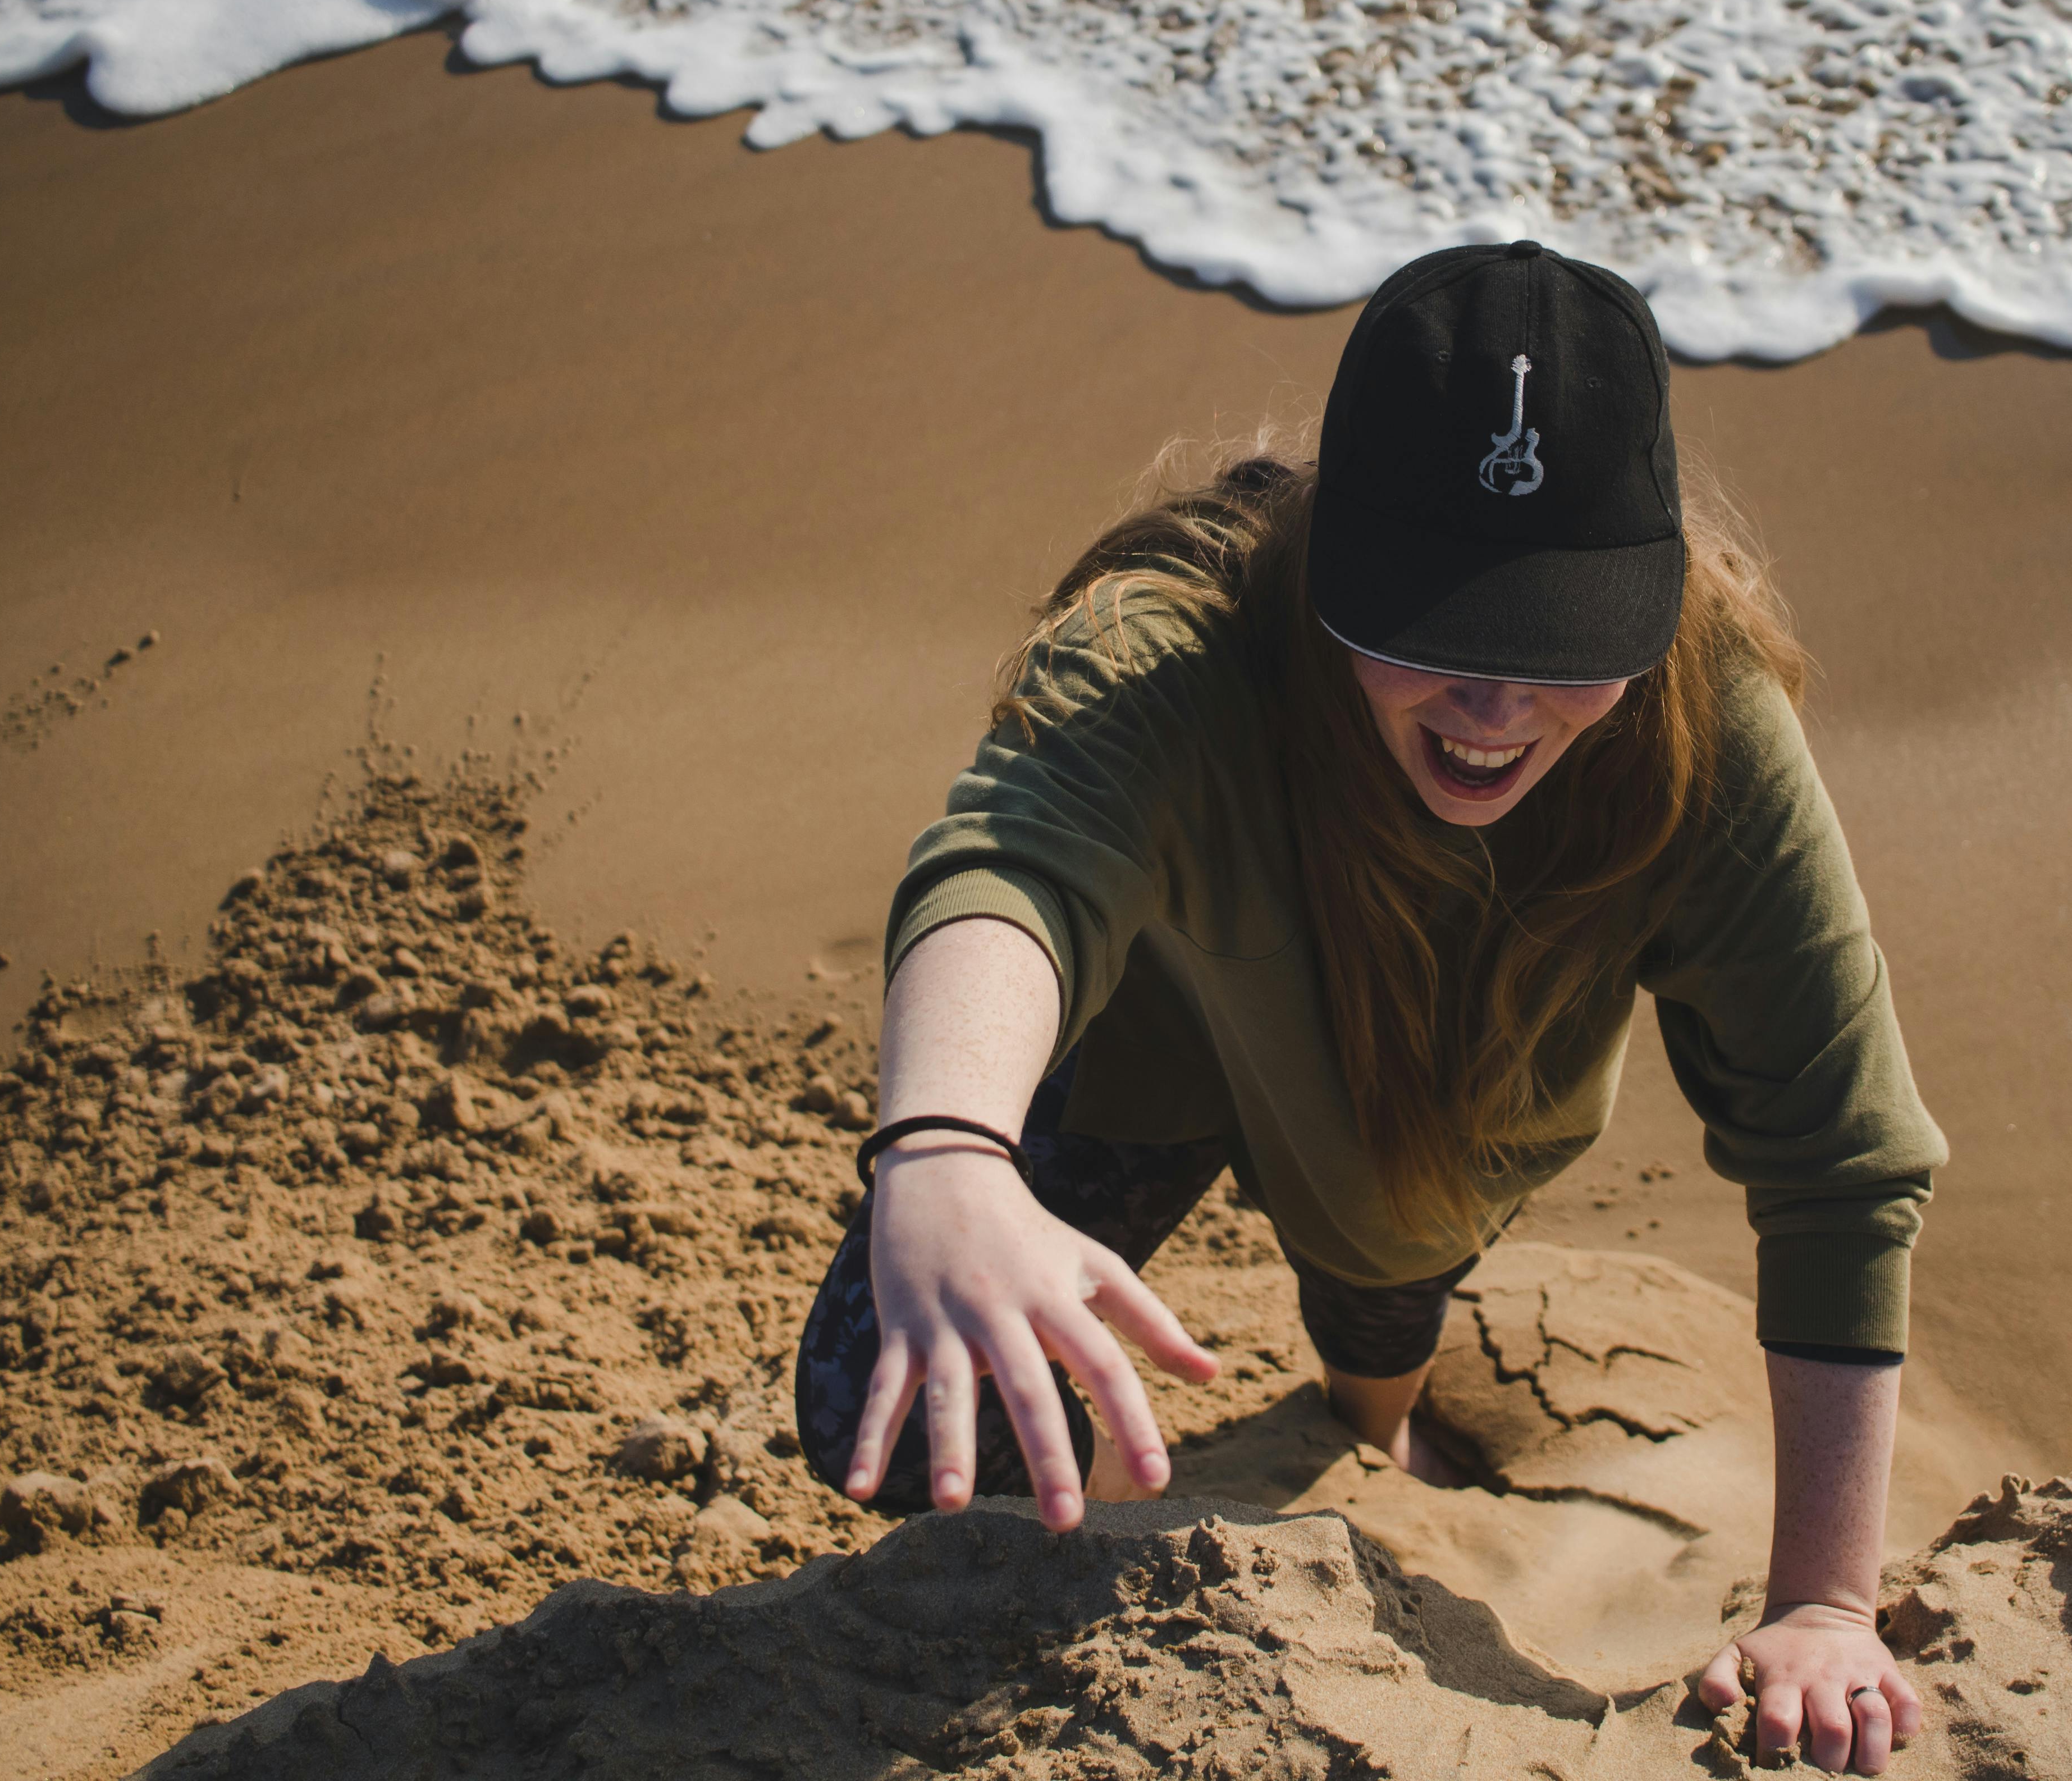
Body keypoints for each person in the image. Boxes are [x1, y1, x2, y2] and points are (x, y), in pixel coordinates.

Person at [793, 241, 1945, 1775]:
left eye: (1551, 644)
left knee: (1379, 1298)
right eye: (1433, 628)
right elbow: (1008, 862)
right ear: (1333, 555)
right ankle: (1085, 1511)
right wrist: (941, 1151)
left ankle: (1374, 1419)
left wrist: (1824, 1599)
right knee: (882, 1389)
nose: (1490, 706)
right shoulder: (1179, 639)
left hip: (1410, 1134)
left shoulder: (1705, 729)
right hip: (1136, 1037)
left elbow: (1839, 1152)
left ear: (1648, 594)